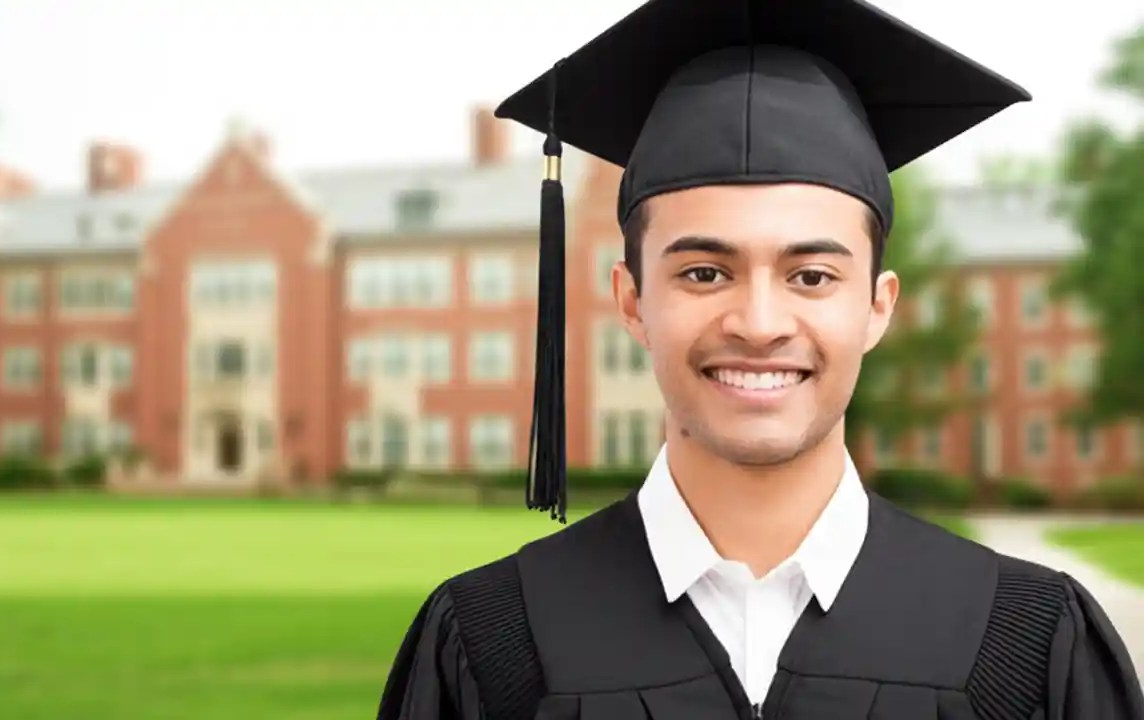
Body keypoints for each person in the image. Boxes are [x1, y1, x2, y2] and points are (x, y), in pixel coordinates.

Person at [378, 0, 1144, 717]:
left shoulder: (1024, 646)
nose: (759, 323)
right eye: (704, 273)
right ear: (632, 301)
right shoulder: (492, 646)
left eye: (811, 276)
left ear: (878, 306)